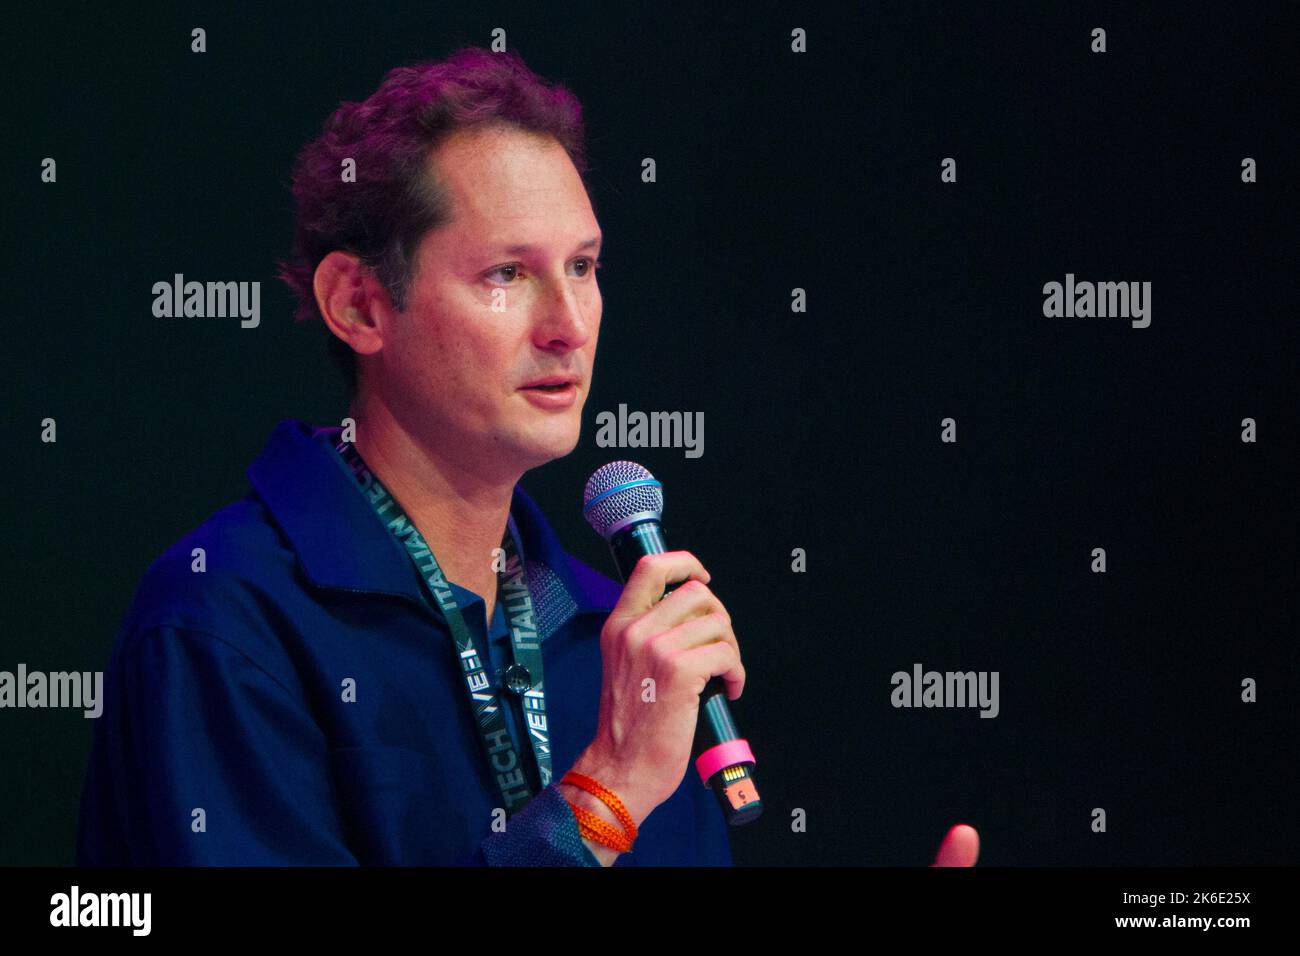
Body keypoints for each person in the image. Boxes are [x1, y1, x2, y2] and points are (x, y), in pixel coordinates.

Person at [75, 46, 979, 868]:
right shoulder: (221, 619)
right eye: (506, 273)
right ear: (358, 305)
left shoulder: (612, 634)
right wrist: (606, 794)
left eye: (583, 267)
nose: (569, 326)